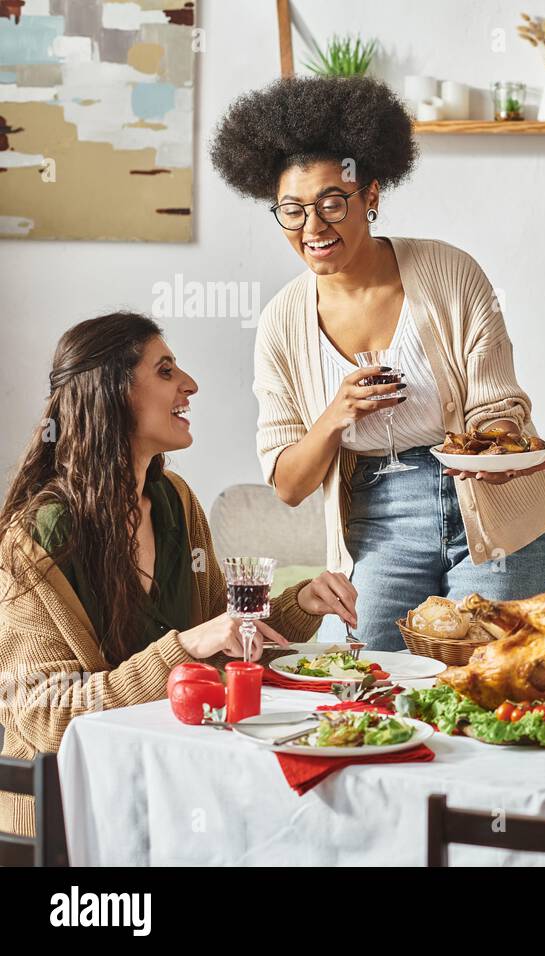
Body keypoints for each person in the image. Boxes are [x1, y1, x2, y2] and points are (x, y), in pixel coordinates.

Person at [210, 76, 545, 650]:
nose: (313, 228)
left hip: (494, 506)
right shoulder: (280, 322)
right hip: (378, 518)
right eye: (293, 211)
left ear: (370, 195)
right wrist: (335, 416)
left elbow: (501, 405)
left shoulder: (450, 273)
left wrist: (494, 442)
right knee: (371, 681)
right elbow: (289, 484)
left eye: (331, 203)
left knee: (490, 679)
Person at [0, 313, 355, 836]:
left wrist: (299, 605)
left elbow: (221, 636)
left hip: (172, 783)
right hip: (72, 812)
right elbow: (44, 712)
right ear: (112, 394)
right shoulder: (37, 539)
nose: (190, 384)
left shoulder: (176, 504)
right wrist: (184, 649)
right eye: (165, 371)